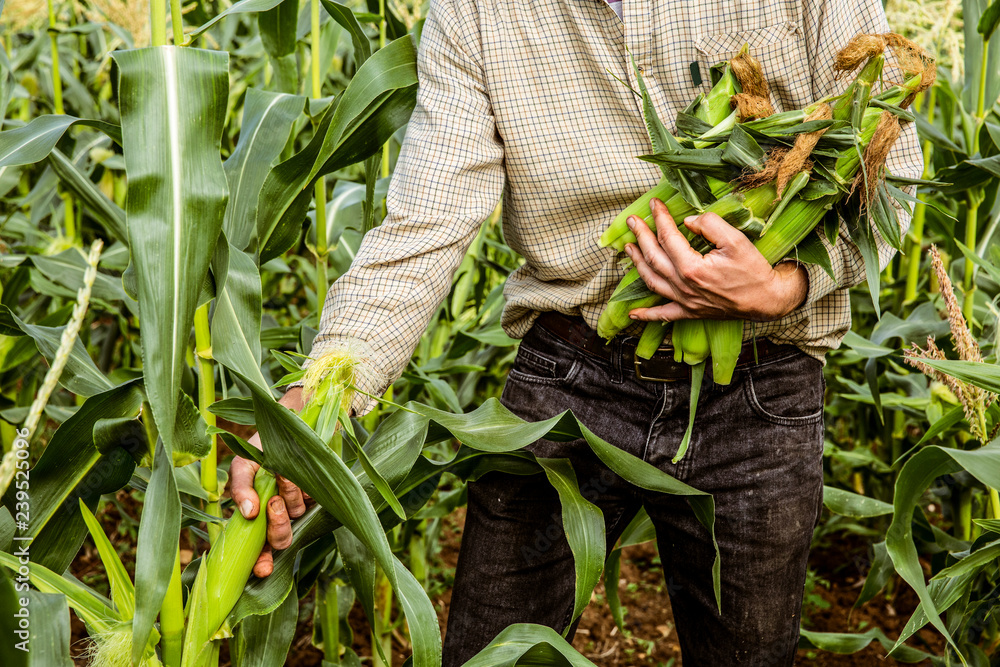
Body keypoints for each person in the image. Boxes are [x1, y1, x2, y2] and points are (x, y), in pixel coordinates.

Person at [229, 0, 923, 662]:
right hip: (572, 368)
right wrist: (312, 407)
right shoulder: (473, 14)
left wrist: (780, 285)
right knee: (490, 652)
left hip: (761, 383)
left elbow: (896, 171)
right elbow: (424, 224)